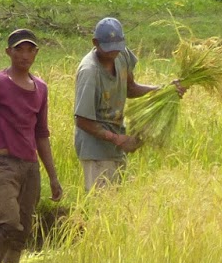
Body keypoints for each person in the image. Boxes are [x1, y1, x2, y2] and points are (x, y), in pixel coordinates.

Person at [0, 28, 65, 263]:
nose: (25, 55)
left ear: (36, 53)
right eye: (19, 49)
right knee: (10, 223)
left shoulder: (41, 88)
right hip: (3, 165)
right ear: (8, 52)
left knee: (21, 231)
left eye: (30, 50)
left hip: (30, 168)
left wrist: (53, 178)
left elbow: (42, 135)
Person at [73, 17, 178, 192]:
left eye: (117, 47)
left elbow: (130, 88)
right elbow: (82, 120)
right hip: (96, 150)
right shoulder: (89, 72)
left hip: (116, 143)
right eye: (109, 49)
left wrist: (164, 90)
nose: (113, 53)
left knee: (117, 202)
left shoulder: (121, 54)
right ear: (95, 43)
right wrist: (117, 139)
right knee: (102, 205)